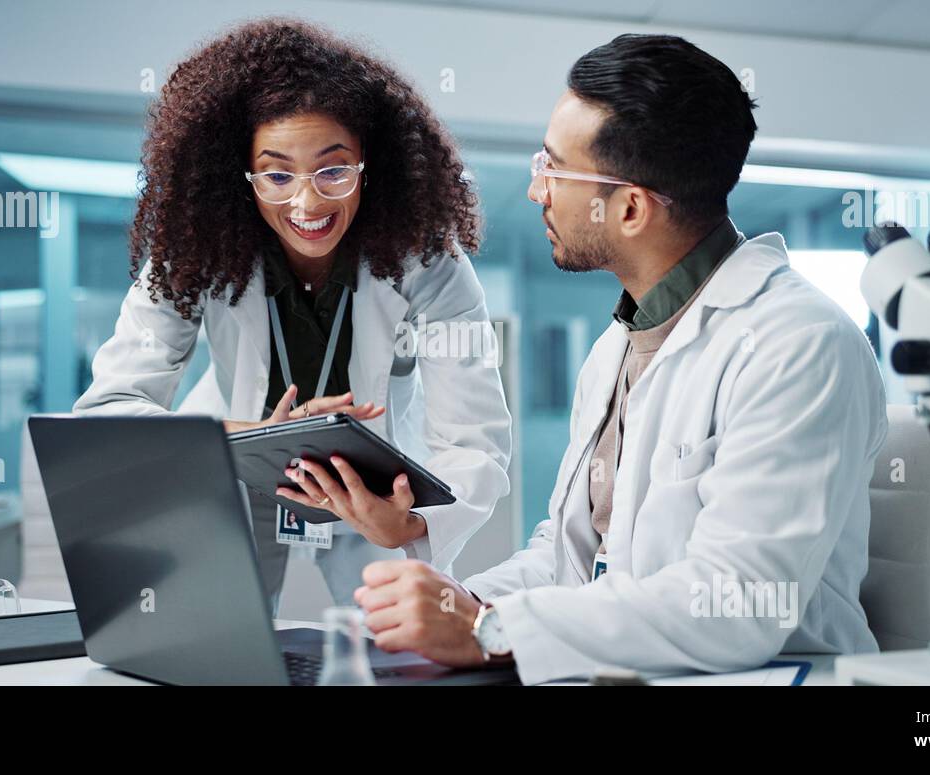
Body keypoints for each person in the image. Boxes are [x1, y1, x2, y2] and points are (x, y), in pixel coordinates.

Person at [354, 33, 888, 684]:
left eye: (553, 168)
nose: (535, 191)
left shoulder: (799, 343)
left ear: (630, 207)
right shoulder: (618, 345)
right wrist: (445, 608)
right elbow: (568, 559)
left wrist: (488, 630)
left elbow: (739, 602)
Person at [75, 19, 511, 611]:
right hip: (231, 468)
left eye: (333, 170)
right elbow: (109, 415)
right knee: (213, 641)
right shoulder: (193, 252)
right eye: (277, 175)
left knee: (390, 649)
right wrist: (252, 439)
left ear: (370, 165)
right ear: (240, 178)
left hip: (372, 482)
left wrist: (412, 525)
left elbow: (473, 436)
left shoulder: (428, 262)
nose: (307, 203)